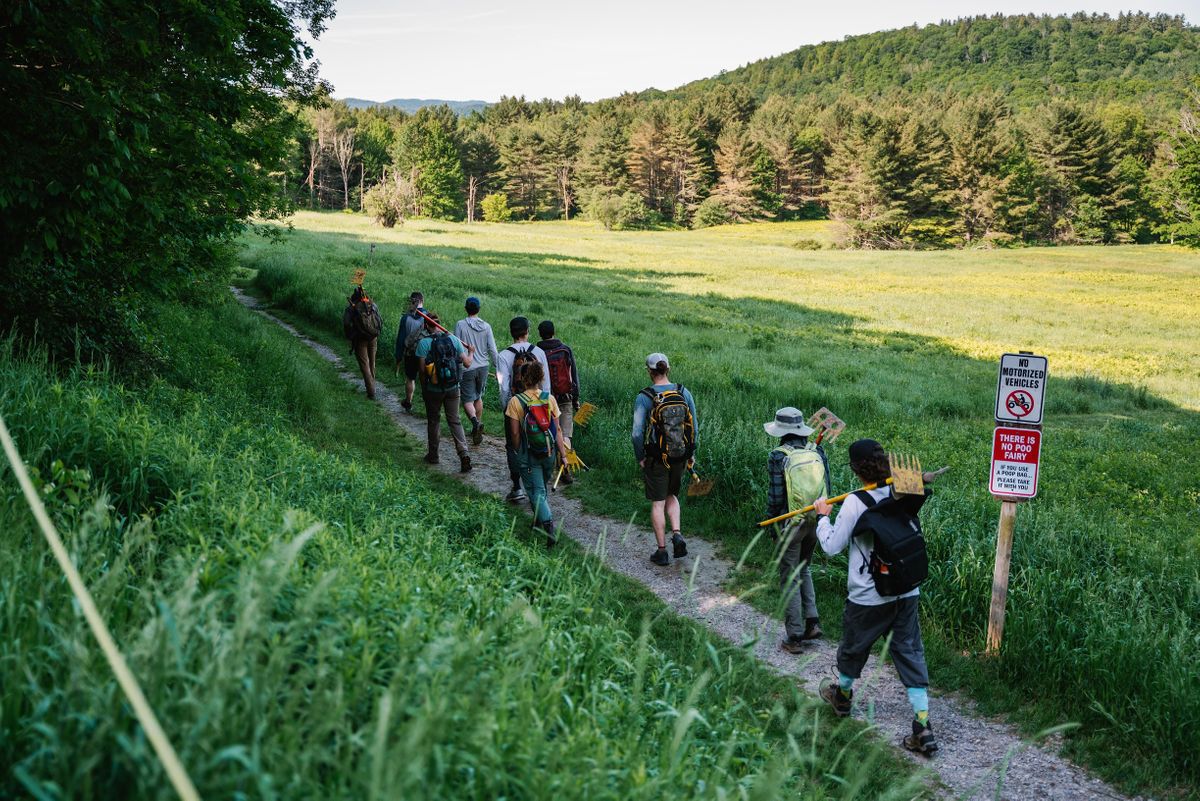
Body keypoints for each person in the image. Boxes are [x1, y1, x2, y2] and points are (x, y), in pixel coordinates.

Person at [814, 438, 941, 756]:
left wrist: (822, 517)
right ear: (884, 461)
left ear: (856, 469)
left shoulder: (856, 501)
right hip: (906, 587)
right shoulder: (905, 486)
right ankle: (922, 725)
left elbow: (831, 547)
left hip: (868, 595)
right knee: (910, 652)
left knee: (854, 648)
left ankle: (842, 698)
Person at [764, 407, 830, 653]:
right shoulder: (817, 451)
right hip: (815, 519)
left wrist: (772, 525)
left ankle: (794, 636)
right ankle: (812, 622)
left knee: (789, 576)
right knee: (804, 568)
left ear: (781, 432)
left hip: (790, 523)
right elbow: (827, 487)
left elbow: (776, 497)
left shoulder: (777, 456)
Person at [631, 353, 696, 567]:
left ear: (650, 371)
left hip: (657, 457)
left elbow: (637, 434)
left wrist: (641, 456)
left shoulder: (645, 396)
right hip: (680, 454)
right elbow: (693, 424)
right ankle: (677, 534)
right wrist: (690, 454)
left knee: (658, 503)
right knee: (672, 494)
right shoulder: (682, 391)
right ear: (667, 369)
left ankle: (662, 551)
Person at [506, 360, 570, 547]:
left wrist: (518, 451)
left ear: (522, 378)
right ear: (541, 378)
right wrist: (563, 455)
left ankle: (549, 529)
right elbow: (557, 431)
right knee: (541, 486)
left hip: (529, 454)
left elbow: (515, 433)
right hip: (548, 452)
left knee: (536, 492)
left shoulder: (515, 402)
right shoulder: (549, 399)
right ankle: (537, 520)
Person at [495, 316, 550, 503]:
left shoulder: (503, 355)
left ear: (511, 333)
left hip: (515, 406)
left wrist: (507, 408)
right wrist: (546, 405)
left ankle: (517, 486)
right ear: (528, 331)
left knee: (513, 446)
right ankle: (539, 484)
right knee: (538, 442)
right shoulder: (540, 352)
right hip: (538, 406)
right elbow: (546, 383)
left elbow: (503, 388)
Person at [414, 312, 473, 473]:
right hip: (453, 388)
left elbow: (421, 370)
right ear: (440, 324)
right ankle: (464, 453)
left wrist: (425, 388)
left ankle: (433, 455)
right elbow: (467, 363)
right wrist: (472, 352)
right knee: (455, 420)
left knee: (434, 421)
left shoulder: (423, 344)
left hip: (433, 389)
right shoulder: (453, 339)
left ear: (427, 326)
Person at [535, 320, 581, 483]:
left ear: (540, 334)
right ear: (554, 331)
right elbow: (573, 375)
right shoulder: (565, 350)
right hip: (565, 397)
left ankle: (549, 466)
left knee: (551, 432)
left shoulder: (536, 352)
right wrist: (576, 398)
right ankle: (565, 469)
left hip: (545, 399)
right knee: (566, 434)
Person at [454, 296, 500, 445]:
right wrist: (498, 366)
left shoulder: (460, 325)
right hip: (483, 367)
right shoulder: (487, 326)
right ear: (479, 309)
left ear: (466, 309)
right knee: (478, 397)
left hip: (468, 367)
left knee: (467, 399)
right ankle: (477, 427)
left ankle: (475, 423)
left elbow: (457, 347)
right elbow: (492, 349)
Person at [342, 285, 381, 400]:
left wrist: (350, 336)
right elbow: (378, 320)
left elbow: (346, 323)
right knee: (372, 363)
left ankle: (371, 392)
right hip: (373, 337)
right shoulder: (372, 305)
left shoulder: (351, 308)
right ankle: (372, 387)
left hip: (360, 339)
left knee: (365, 366)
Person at [394, 291, 427, 412]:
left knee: (410, 378)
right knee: (425, 379)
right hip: (425, 354)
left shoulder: (405, 318)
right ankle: (428, 404)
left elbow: (401, 338)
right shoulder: (428, 316)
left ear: (411, 301)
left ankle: (408, 402)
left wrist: (398, 356)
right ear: (422, 301)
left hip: (410, 353)